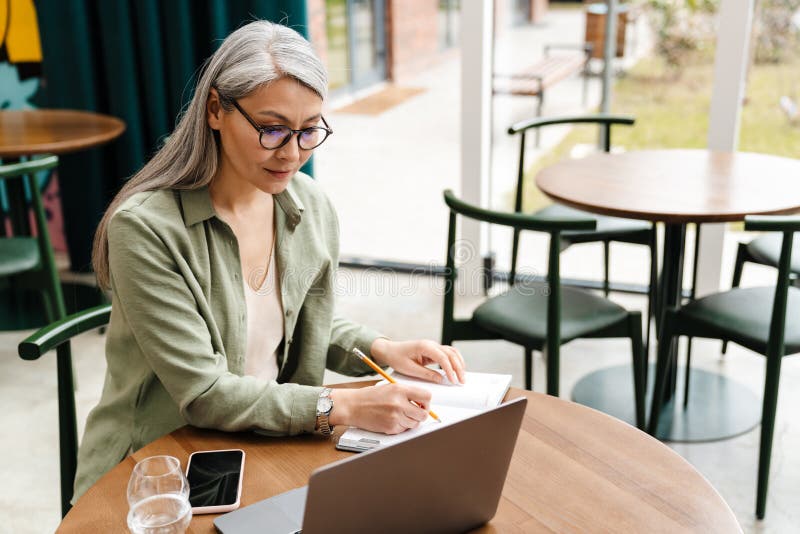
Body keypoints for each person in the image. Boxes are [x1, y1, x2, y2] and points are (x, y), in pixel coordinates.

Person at [74, 20, 466, 501]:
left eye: (308, 131)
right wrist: (342, 406)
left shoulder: (308, 206)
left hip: (261, 440)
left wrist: (383, 349)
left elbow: (299, 320)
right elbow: (205, 394)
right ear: (215, 109)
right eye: (273, 129)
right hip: (155, 471)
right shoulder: (146, 228)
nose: (292, 153)